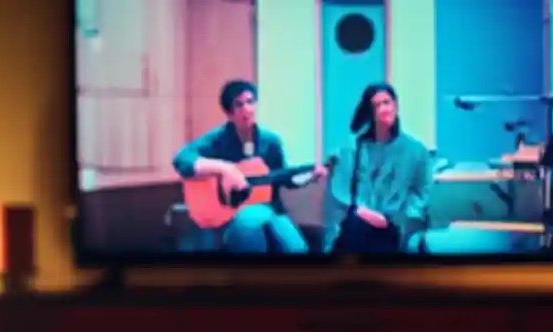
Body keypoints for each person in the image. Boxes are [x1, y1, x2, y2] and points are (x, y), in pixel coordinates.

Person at [172, 80, 327, 254]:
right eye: (239, 104)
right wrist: (226, 169)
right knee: (249, 226)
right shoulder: (218, 139)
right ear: (229, 112)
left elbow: (284, 178)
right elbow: (181, 160)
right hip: (232, 215)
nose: (247, 108)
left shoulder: (270, 142)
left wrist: (310, 177)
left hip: (271, 209)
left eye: (250, 102)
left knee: (297, 249)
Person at [325, 83, 433, 253]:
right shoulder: (355, 147)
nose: (384, 109)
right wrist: (361, 210)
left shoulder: (416, 151)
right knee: (355, 227)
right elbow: (341, 188)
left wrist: (392, 219)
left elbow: (422, 194)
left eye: (387, 102)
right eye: (377, 105)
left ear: (396, 105)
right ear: (370, 112)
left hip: (395, 224)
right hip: (359, 218)